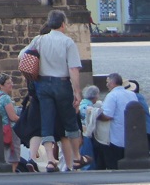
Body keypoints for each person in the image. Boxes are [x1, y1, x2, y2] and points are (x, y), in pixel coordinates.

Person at [27, 9, 82, 172]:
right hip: (62, 83)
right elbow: (73, 69)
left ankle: (51, 159)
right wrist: (77, 91)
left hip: (43, 84)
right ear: (63, 24)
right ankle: (77, 157)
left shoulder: (39, 40)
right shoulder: (67, 42)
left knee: (47, 122)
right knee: (69, 121)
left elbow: (23, 56)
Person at [96, 73, 137, 170]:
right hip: (130, 137)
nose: (106, 85)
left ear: (111, 82)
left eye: (107, 82)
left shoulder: (112, 95)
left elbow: (107, 116)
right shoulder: (132, 94)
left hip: (116, 138)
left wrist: (95, 114)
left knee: (114, 166)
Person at [78, 85, 102, 169]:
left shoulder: (81, 103)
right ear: (95, 95)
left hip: (78, 134)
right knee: (87, 156)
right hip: (85, 134)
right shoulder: (89, 107)